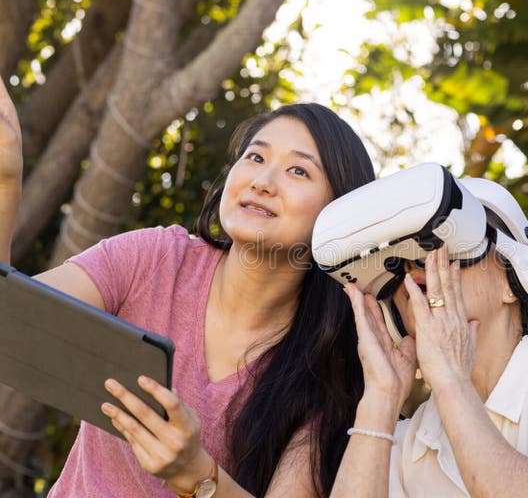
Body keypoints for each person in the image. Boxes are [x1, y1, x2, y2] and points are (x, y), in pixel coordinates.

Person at [0, 75, 374, 497]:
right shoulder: (157, 258)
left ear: (338, 213)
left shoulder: (325, 371)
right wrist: (5, 182)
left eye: (298, 170)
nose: (263, 181)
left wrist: (196, 474)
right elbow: (8, 325)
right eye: (254, 157)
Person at [331, 174, 528, 497]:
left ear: (511, 281)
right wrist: (381, 399)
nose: (417, 272)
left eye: (444, 251)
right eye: (399, 265)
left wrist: (450, 380)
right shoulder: (403, 442)